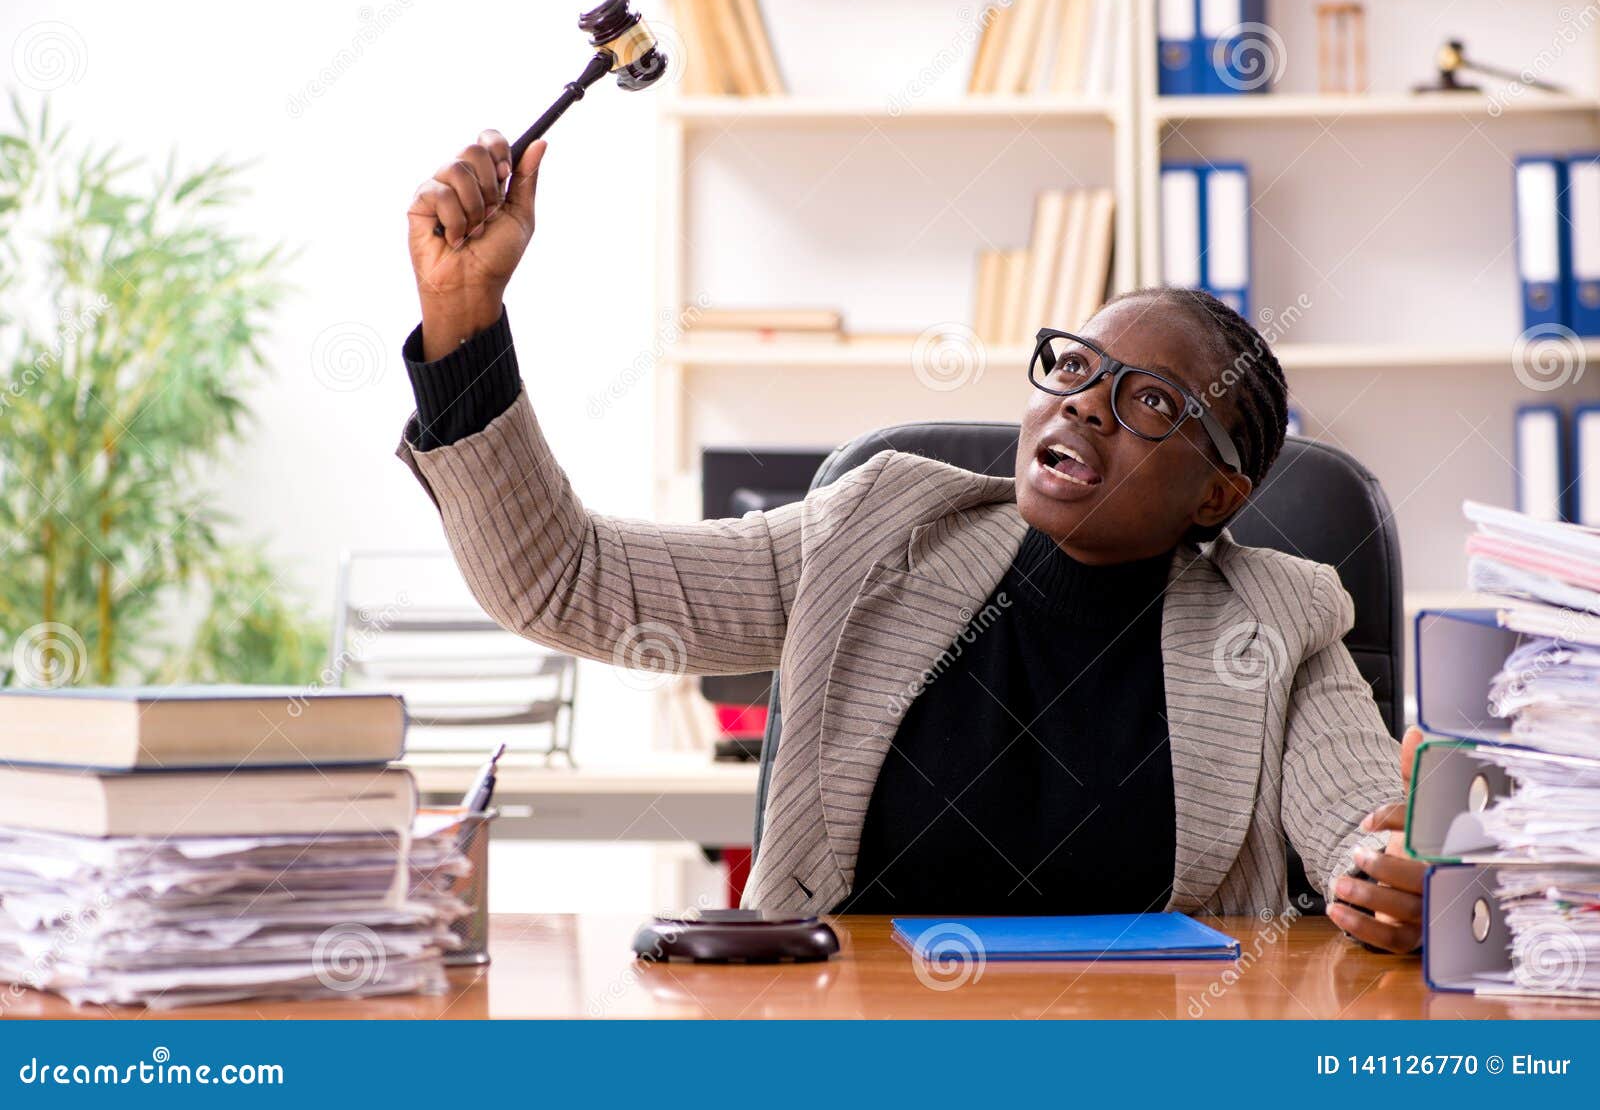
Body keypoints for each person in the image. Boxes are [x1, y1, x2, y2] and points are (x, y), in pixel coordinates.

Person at [396, 131, 1424, 953]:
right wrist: (464, 315)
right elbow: (564, 581)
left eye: (1148, 399)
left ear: (1217, 496)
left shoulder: (1279, 616)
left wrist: (1383, 868)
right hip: (856, 1039)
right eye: (1075, 368)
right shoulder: (878, 527)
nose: (1085, 409)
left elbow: (1351, 818)